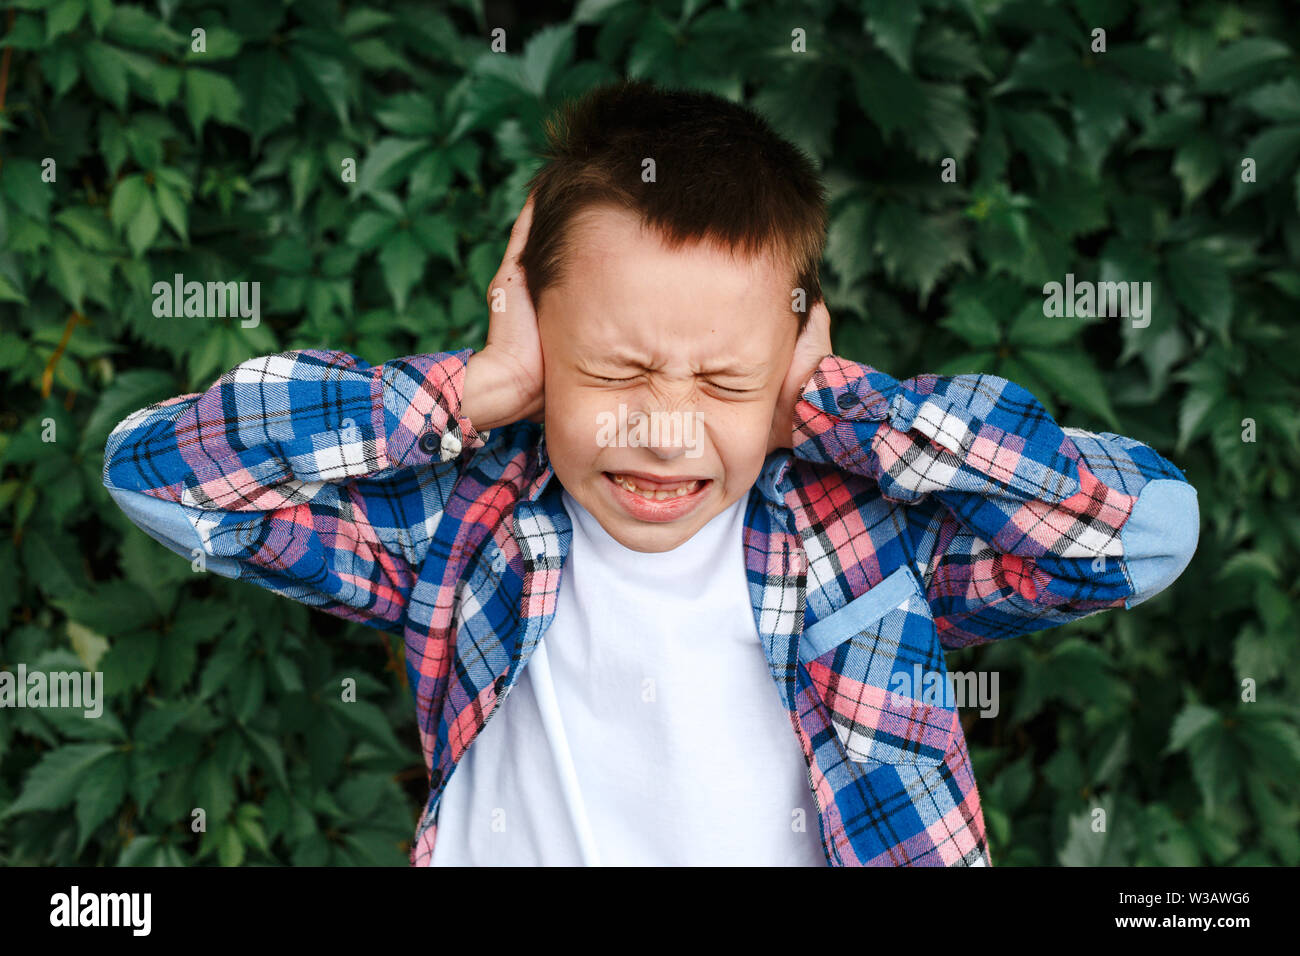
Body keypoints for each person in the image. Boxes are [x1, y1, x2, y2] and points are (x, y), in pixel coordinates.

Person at [103, 79, 1200, 866]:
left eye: (725, 382)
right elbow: (160, 473)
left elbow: (1143, 532)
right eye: (616, 370)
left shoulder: (868, 538)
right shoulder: (462, 520)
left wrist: (849, 411)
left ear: (797, 354)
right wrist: (474, 390)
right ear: (536, 338)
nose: (667, 431)